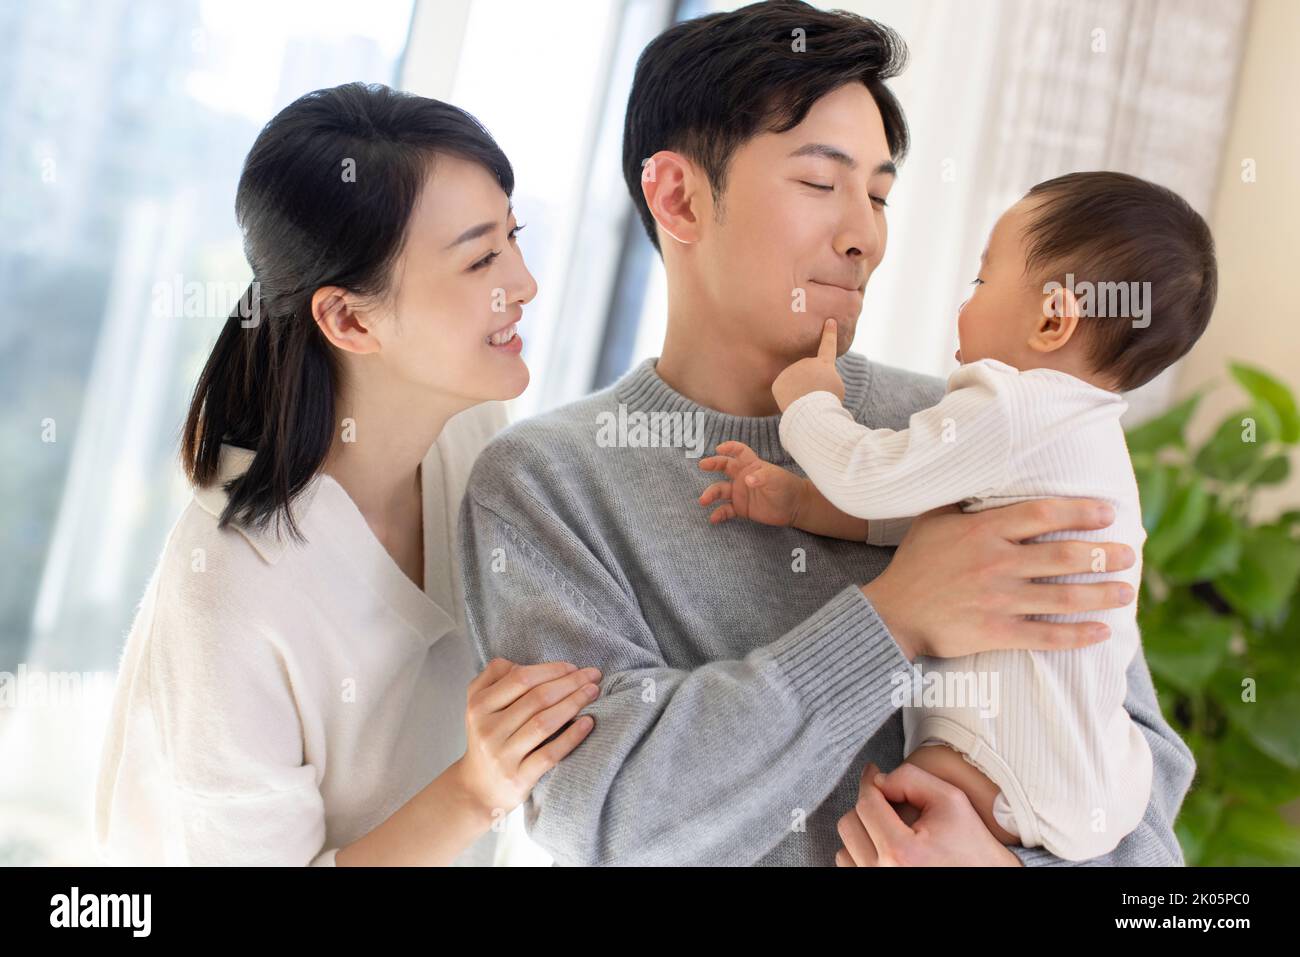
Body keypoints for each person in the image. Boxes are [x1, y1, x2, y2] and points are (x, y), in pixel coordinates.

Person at [457, 1, 1195, 866]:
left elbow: (1146, 819)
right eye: (820, 183)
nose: (866, 236)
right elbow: (607, 814)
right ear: (677, 196)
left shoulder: (983, 432)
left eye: (879, 194)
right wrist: (896, 615)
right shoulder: (546, 486)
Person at [94, 83, 598, 866]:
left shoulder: (470, 431)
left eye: (513, 235)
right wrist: (475, 787)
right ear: (350, 319)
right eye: (480, 258)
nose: (524, 282)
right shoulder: (231, 588)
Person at [701, 170, 1217, 860]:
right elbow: (936, 514)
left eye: (981, 282)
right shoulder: (1087, 437)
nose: (964, 301)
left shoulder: (1009, 404)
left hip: (1006, 767)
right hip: (1103, 778)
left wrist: (809, 404)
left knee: (893, 804)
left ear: (1053, 319)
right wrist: (797, 500)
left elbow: (872, 477)